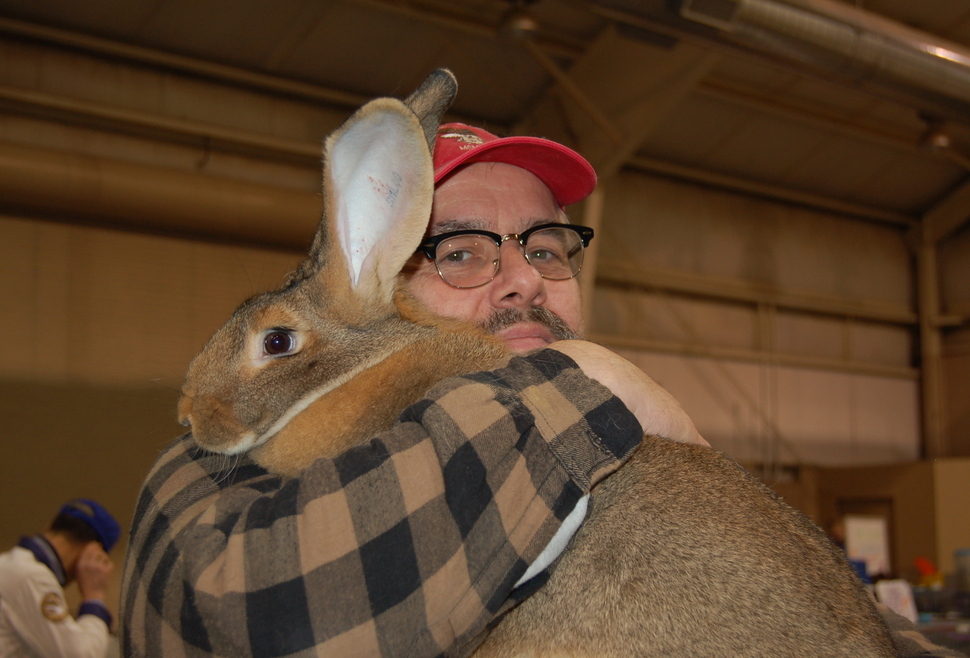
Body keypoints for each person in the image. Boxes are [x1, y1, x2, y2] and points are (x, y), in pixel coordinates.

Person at [119, 122, 702, 657]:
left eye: (545, 250)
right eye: (460, 253)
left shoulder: (631, 460)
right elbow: (255, 620)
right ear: (380, 285)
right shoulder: (223, 471)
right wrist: (587, 383)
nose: (524, 281)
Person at [0, 498, 119, 657]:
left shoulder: (11, 565)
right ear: (94, 551)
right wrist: (94, 596)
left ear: (48, 527)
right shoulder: (32, 577)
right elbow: (79, 655)